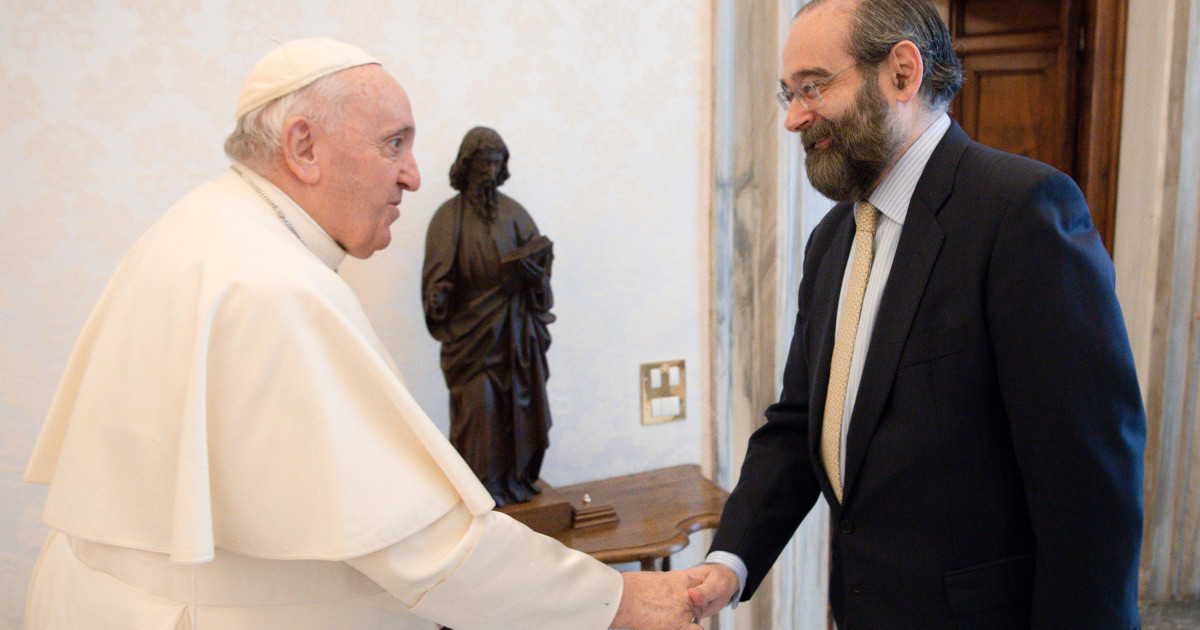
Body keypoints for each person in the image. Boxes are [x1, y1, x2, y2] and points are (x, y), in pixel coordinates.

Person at [23, 38, 702, 630]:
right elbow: (427, 548)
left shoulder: (206, 223)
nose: (413, 174)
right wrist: (619, 600)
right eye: (393, 143)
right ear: (303, 146)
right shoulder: (278, 286)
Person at [685, 1, 1146, 628]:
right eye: (788, 94)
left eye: (813, 87)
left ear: (902, 73)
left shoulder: (1021, 212)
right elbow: (798, 424)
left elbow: (1089, 490)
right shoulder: (832, 240)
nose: (794, 117)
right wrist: (730, 562)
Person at [423, 127, 555, 507]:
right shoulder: (448, 218)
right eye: (483, 163)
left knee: (521, 410)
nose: (490, 172)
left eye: (497, 163)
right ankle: (482, 493)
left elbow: (542, 278)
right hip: (473, 338)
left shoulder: (515, 214)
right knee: (480, 412)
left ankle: (516, 481)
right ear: (467, 165)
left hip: (516, 335)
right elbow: (436, 281)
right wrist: (439, 295)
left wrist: (534, 276)